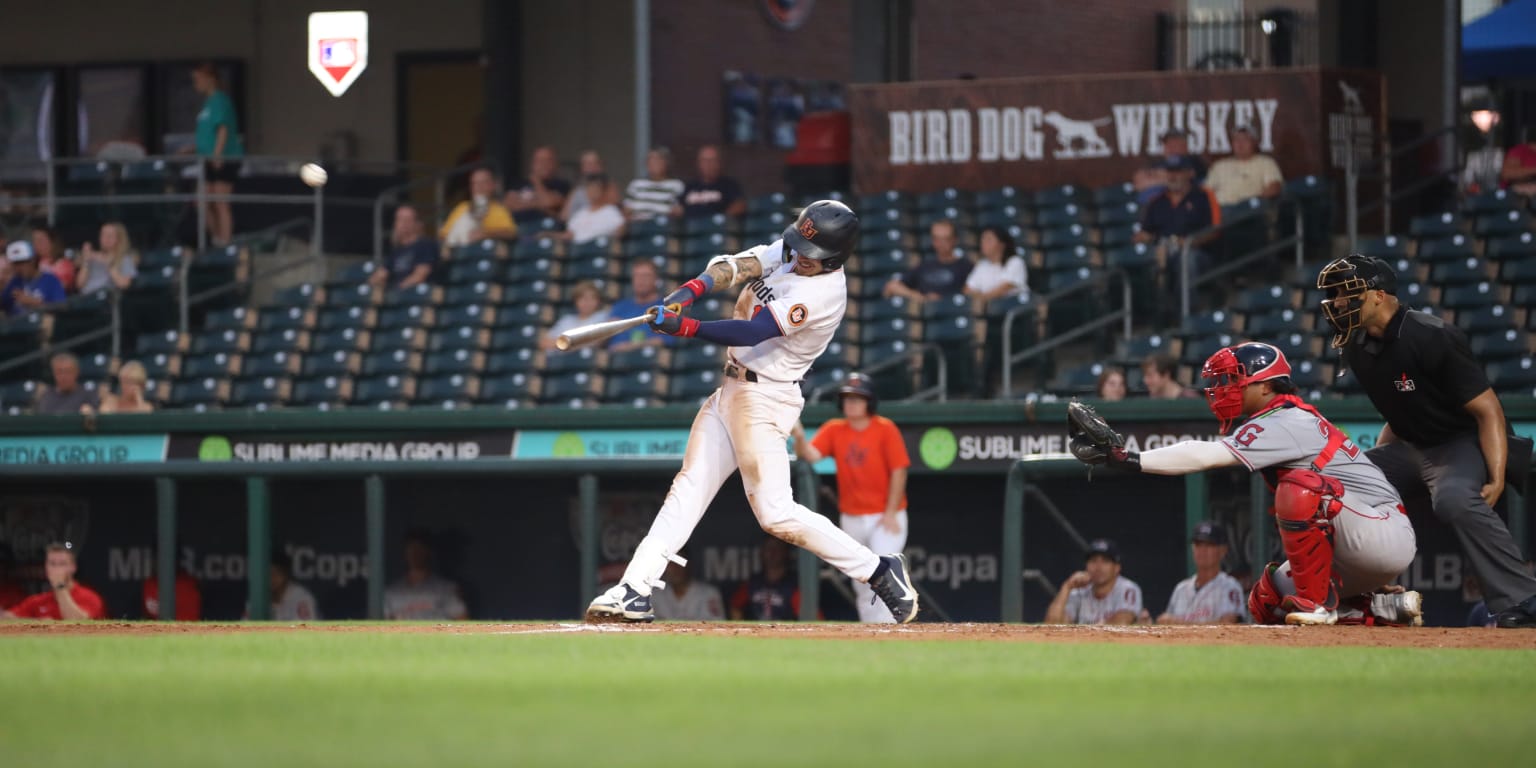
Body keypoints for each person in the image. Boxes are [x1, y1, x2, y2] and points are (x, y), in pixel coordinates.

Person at [584, 200, 919, 624]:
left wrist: (687, 327)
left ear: (834, 258)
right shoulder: (796, 250)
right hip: (731, 388)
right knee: (688, 488)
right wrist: (690, 291)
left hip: (767, 398)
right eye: (798, 245)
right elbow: (738, 266)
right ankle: (634, 589)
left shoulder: (823, 292)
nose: (799, 256)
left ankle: (877, 569)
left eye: (811, 255)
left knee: (776, 514)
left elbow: (754, 329)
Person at [1068, 342, 1423, 626]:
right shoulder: (1275, 417)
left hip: (1381, 530)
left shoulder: (1286, 418)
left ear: (1267, 385)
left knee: (1299, 489)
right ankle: (1380, 608)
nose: (1224, 389)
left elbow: (1204, 455)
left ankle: (1317, 605)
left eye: (1235, 380)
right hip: (1354, 538)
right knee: (1265, 601)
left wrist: (1129, 458)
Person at [1317, 255, 1536, 628]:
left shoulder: (1433, 335)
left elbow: (1488, 410)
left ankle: (1523, 599)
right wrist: (1370, 471)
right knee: (1331, 484)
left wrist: (1497, 475)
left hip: (1461, 443)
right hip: (1410, 447)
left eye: (1345, 293)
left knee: (1453, 500)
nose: (1337, 302)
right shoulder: (1357, 348)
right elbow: (1398, 414)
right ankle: (1345, 594)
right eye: (1334, 294)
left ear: (1379, 295)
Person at [790, 372, 912, 623]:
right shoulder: (835, 429)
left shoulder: (885, 428)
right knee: (861, 578)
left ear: (870, 401)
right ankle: (871, 630)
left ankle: (890, 629)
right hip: (852, 516)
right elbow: (810, 455)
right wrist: (800, 437)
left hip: (885, 516)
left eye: (858, 398)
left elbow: (899, 470)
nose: (852, 403)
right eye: (847, 397)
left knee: (884, 572)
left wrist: (890, 512)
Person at [1135, 155, 1221, 286]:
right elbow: (1145, 232)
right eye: (1170, 172)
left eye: (1178, 171)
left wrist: (1188, 242)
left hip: (1197, 252)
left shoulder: (1204, 196)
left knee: (1186, 259)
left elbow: (1215, 229)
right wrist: (1144, 237)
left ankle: (1187, 306)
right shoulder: (1157, 201)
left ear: (1190, 173)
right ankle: (1152, 304)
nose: (1172, 176)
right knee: (1144, 259)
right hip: (1163, 250)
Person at [191, 62, 244, 246]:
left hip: (223, 158)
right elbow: (207, 134)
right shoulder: (207, 104)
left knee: (221, 201)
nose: (195, 84)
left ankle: (226, 242)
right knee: (202, 202)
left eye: (198, 79)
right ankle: (216, 238)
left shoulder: (220, 100)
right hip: (205, 159)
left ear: (210, 79)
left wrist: (218, 154)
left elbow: (223, 129)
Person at [1156, 521, 1246, 624]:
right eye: (1198, 544)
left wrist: (1180, 623)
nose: (1202, 550)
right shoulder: (1180, 589)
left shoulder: (1230, 586)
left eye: (1209, 545)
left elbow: (1228, 623)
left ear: (1223, 550)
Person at [1044, 539, 1143, 625]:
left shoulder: (1127, 588)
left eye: (1105, 561)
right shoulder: (1078, 591)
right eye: (1093, 561)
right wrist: (1067, 587)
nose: (1098, 567)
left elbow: (1123, 622)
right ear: (1086, 566)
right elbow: (1052, 625)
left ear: (1117, 568)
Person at [0, 542, 106, 620]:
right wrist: (38, 623)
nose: (57, 568)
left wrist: (60, 586)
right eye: (52, 564)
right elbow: (6, 618)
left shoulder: (89, 597)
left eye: (62, 564)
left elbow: (78, 623)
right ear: (46, 567)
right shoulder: (38, 601)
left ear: (73, 567)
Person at [383, 529, 468, 621]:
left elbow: (462, 619)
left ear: (429, 552)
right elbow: (383, 625)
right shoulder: (391, 591)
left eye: (420, 548)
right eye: (411, 548)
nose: (415, 553)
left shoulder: (446, 588)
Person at [883, 219, 973, 303]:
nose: (941, 244)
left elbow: (972, 294)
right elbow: (891, 287)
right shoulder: (924, 266)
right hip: (927, 314)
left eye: (945, 239)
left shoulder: (965, 266)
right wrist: (919, 297)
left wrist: (944, 301)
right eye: (937, 239)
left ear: (955, 240)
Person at [729, 536, 806, 621]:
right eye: (768, 548)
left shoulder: (793, 585)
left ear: (785, 552)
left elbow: (811, 616)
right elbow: (735, 605)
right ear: (761, 552)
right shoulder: (754, 582)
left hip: (783, 631)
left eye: (777, 548)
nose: (772, 552)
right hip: (757, 631)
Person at [1205, 125, 1284, 206]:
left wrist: (1258, 202)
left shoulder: (1265, 163)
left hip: (1248, 211)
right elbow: (1206, 191)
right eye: (1236, 140)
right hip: (1220, 209)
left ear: (1254, 142)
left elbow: (1275, 187)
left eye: (1245, 140)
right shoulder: (1220, 165)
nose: (1240, 144)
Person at [439, 166, 517, 247]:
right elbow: (443, 236)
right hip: (465, 254)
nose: (479, 187)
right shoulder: (462, 208)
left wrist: (484, 234)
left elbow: (511, 233)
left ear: (492, 185)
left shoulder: (499, 209)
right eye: (475, 183)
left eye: (483, 183)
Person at [607, 260, 671, 352]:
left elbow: (664, 341)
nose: (641, 280)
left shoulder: (666, 307)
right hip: (615, 363)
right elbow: (602, 342)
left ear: (656, 279)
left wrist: (629, 347)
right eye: (637, 276)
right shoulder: (619, 307)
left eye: (646, 276)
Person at [1132, 129, 1208, 205]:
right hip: (1159, 204)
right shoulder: (1157, 161)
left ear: (1185, 147)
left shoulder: (1194, 161)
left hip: (1186, 203)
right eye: (1169, 144)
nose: (1172, 148)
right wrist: (1171, 179)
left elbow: (1187, 180)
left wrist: (1157, 176)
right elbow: (1139, 183)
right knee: (1145, 195)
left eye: (1177, 144)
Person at [370, 204, 438, 290]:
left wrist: (396, 292)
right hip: (397, 296)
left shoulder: (426, 245)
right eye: (400, 219)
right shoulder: (396, 251)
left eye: (408, 220)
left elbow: (420, 276)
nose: (404, 224)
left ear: (417, 223)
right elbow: (380, 275)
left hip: (416, 295)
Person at [650, 548, 725, 621]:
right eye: (671, 564)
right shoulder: (656, 594)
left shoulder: (708, 593)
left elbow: (717, 625)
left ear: (689, 565)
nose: (676, 569)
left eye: (680, 564)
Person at [505, 145, 571, 228]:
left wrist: (536, 181)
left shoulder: (561, 185)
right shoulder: (519, 183)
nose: (544, 164)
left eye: (548, 160)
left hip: (545, 227)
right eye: (540, 161)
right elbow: (509, 204)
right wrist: (541, 206)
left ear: (555, 164)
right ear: (532, 164)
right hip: (517, 226)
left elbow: (548, 203)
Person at [675, 145, 746, 219]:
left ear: (719, 163)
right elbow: (678, 208)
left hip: (719, 228)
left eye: (712, 160)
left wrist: (723, 219)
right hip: (692, 228)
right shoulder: (688, 187)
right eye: (704, 160)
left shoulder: (729, 185)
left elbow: (740, 205)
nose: (708, 164)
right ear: (698, 163)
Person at [963, 226, 1028, 303]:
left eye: (988, 240)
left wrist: (981, 298)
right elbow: (967, 290)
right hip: (988, 309)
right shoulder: (982, 265)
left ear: (1002, 245)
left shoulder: (1015, 262)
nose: (983, 243)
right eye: (982, 239)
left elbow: (1005, 288)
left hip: (1012, 307)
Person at [2, 240, 66, 317]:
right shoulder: (15, 282)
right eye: (15, 264)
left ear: (32, 260)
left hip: (40, 326)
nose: (18, 268)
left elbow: (62, 308)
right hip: (18, 327)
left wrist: (36, 303)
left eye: (22, 262)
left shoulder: (50, 280)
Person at [542, 281, 609, 351]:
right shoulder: (567, 320)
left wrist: (564, 343)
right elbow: (544, 343)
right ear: (575, 301)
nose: (587, 302)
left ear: (599, 301)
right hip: (561, 360)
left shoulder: (604, 316)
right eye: (583, 298)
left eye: (592, 298)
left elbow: (597, 341)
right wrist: (569, 343)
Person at [623, 146, 685, 221]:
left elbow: (679, 211)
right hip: (637, 226)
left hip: (663, 226)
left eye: (657, 160)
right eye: (650, 160)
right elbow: (626, 210)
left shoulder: (676, 185)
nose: (653, 163)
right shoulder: (636, 184)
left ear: (667, 163)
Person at [559, 174, 625, 244]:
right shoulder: (581, 213)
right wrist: (548, 235)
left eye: (595, 189)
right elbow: (569, 234)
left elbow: (621, 230)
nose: (592, 193)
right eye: (589, 189)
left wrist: (611, 242)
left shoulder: (611, 211)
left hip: (601, 250)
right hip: (579, 251)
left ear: (602, 191)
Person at [76, 222, 138, 294]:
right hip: (85, 298)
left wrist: (109, 264)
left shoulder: (125, 259)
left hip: (104, 299)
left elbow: (124, 285)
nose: (106, 239)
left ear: (119, 239)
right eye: (103, 235)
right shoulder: (93, 257)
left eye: (110, 236)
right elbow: (79, 285)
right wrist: (86, 261)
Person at [258, 551, 319, 621]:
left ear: (286, 574)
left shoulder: (302, 598)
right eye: (268, 573)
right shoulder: (258, 597)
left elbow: (308, 629)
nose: (272, 578)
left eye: (276, 573)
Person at [561, 150, 606, 220]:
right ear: (582, 168)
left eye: (595, 164)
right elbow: (564, 216)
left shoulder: (609, 187)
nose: (591, 167)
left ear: (600, 166)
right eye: (588, 164)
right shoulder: (576, 189)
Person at [30, 225, 75, 293]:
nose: (36, 244)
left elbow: (59, 288)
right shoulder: (31, 264)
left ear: (52, 241)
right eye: (34, 241)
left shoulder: (64, 265)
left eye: (40, 240)